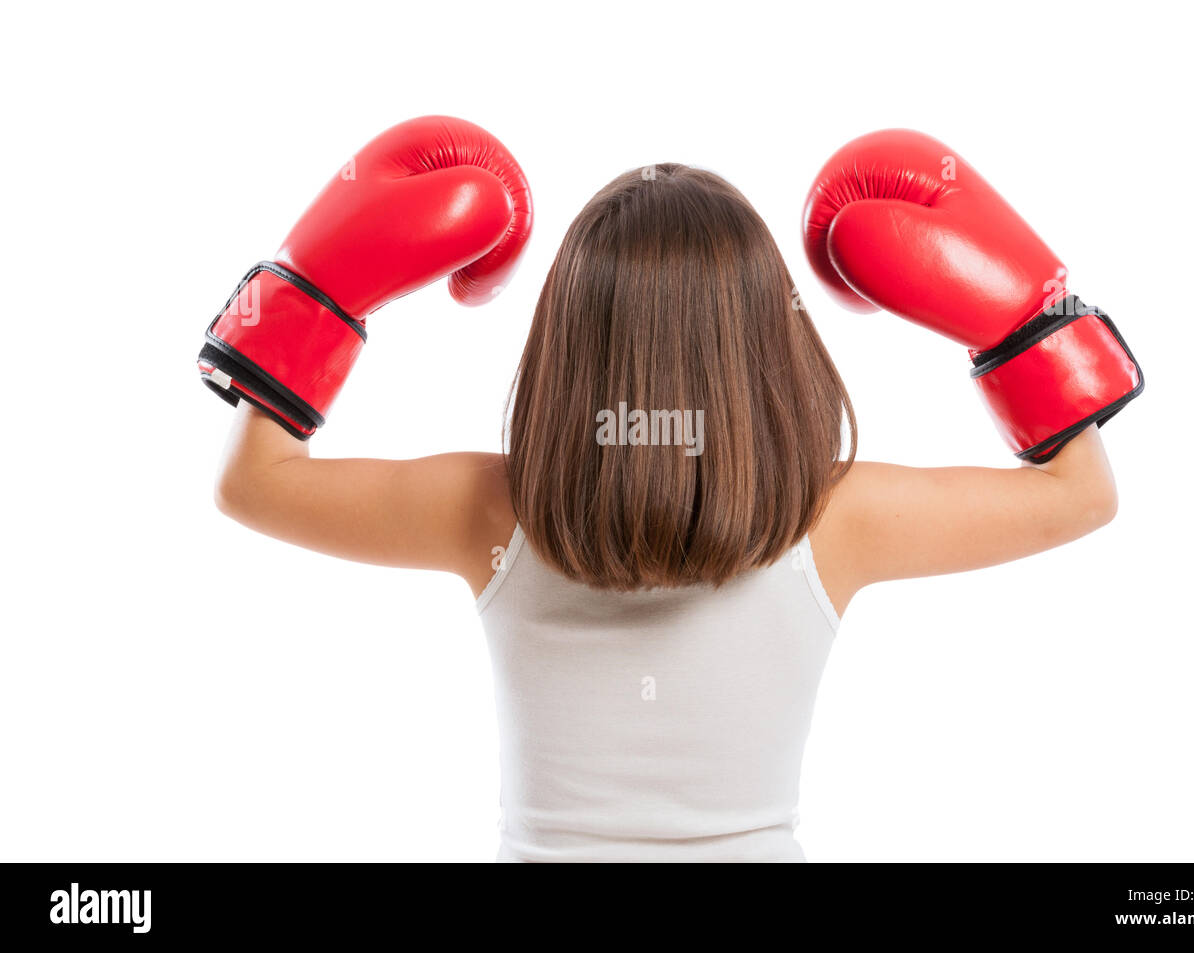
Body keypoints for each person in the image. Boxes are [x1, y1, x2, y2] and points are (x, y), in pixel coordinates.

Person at [204, 118, 1141, 862]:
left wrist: (313, 294)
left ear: (568, 341)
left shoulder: (487, 513)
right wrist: (1028, 321)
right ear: (767, 348)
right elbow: (1079, 493)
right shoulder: (839, 520)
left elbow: (254, 481)